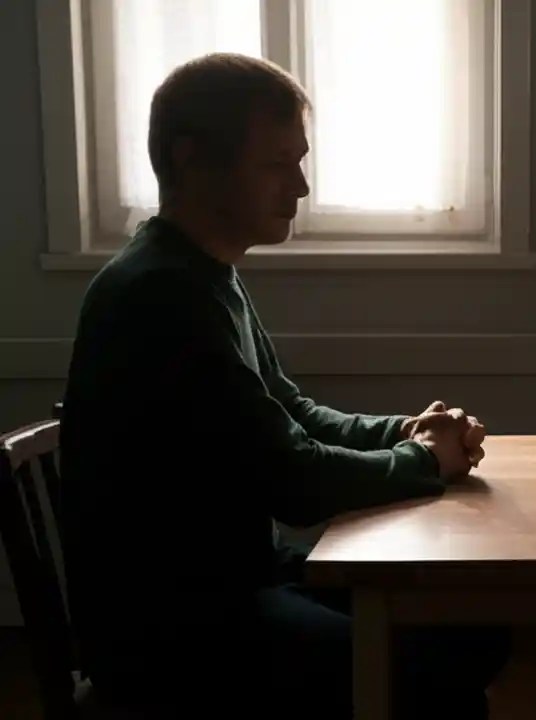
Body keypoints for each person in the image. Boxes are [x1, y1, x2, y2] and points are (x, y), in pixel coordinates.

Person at [60, 53, 509, 718]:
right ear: (189, 160)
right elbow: (292, 481)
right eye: (276, 164)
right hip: (177, 632)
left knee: (471, 629)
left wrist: (405, 431)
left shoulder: (201, 275)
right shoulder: (161, 294)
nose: (299, 187)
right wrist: (422, 459)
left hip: (230, 586)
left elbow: (287, 410)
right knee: (439, 669)